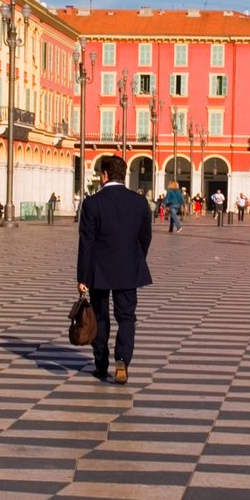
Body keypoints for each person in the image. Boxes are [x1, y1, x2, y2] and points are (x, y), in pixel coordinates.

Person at [77, 154, 152, 385]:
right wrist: (136, 258)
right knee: (127, 317)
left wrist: (82, 276)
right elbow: (145, 237)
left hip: (99, 270)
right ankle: (122, 360)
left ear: (104, 175)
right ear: (124, 175)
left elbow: (86, 242)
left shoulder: (92, 203)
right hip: (129, 267)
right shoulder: (139, 202)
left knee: (100, 317)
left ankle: (101, 363)